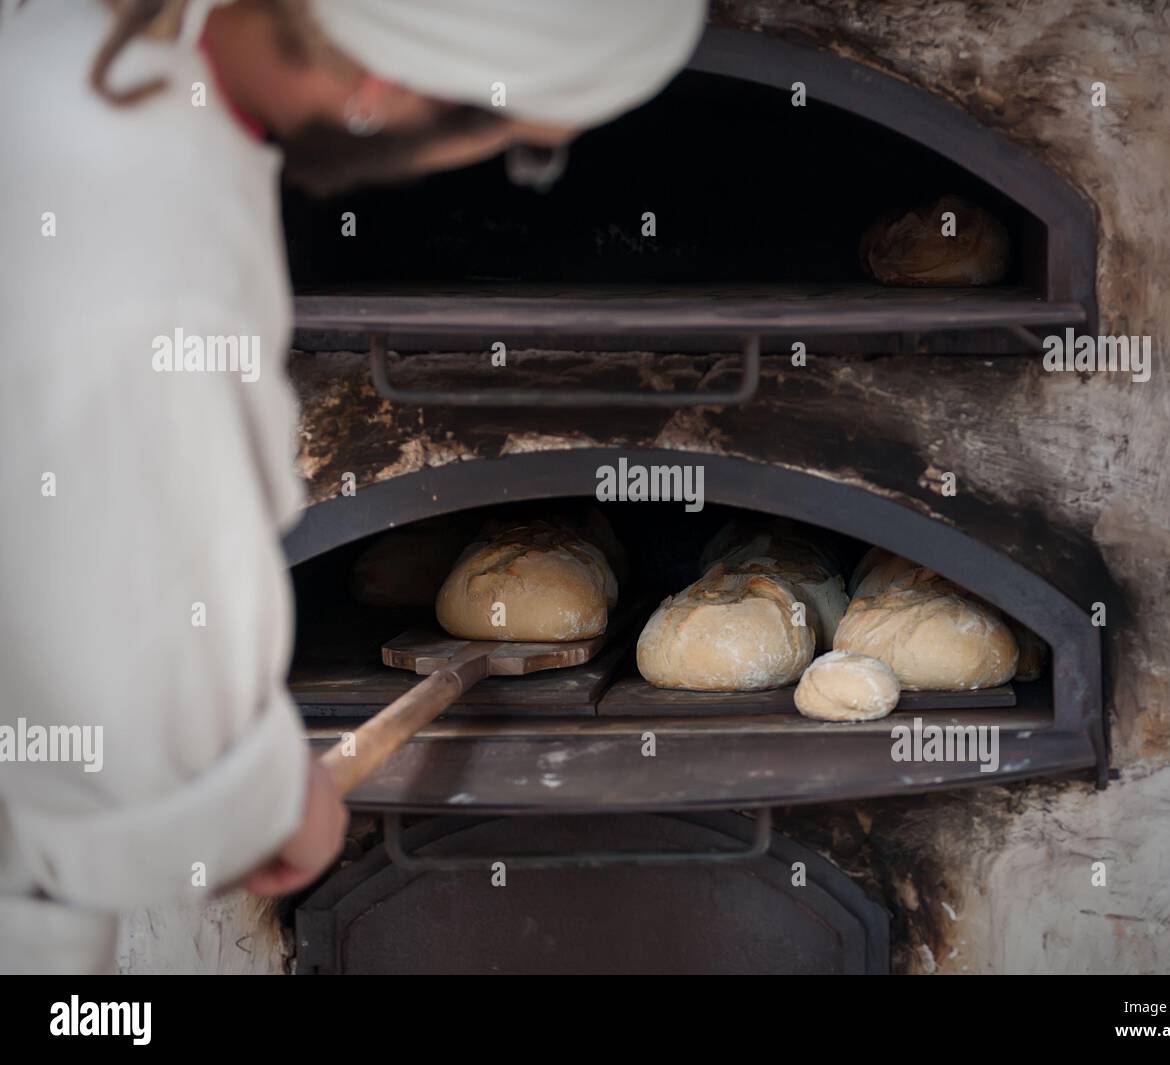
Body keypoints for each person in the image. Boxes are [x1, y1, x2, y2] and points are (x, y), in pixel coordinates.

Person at [0, 0, 705, 974]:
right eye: (514, 143)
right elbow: (107, 693)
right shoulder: (143, 249)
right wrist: (249, 804)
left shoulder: (65, 50)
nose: (473, 165)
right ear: (385, 84)